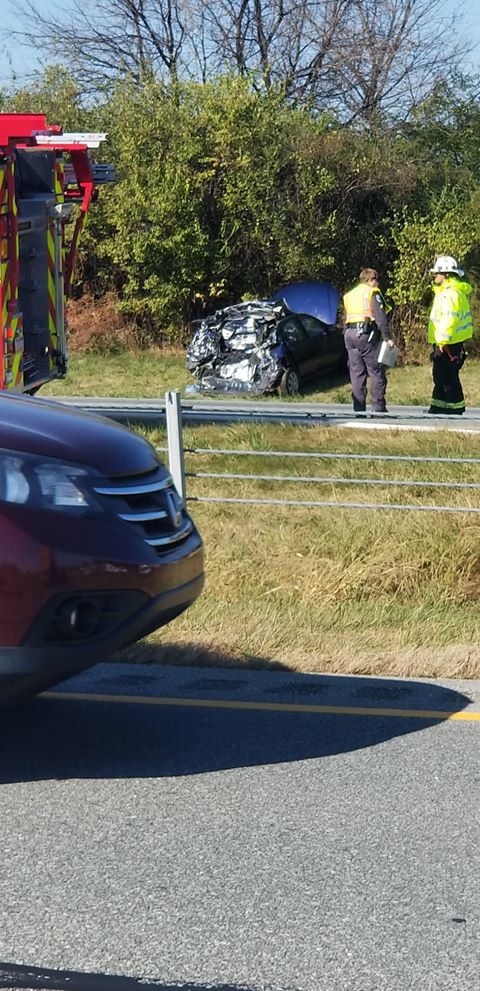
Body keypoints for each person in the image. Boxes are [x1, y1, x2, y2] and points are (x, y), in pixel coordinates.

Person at [343, 268, 395, 414]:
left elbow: (345, 317)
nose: (377, 284)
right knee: (376, 370)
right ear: (370, 279)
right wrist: (387, 338)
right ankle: (378, 407)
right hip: (366, 335)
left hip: (349, 335)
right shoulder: (372, 292)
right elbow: (380, 318)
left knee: (356, 373)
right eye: (376, 280)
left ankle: (359, 408)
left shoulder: (349, 295)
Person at [427, 255, 473, 415]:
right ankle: (438, 407)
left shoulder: (450, 294)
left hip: (447, 342)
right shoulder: (447, 292)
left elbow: (449, 319)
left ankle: (455, 408)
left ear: (446, 274)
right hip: (447, 341)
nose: (435, 276)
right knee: (440, 375)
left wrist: (442, 341)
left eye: (437, 273)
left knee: (446, 375)